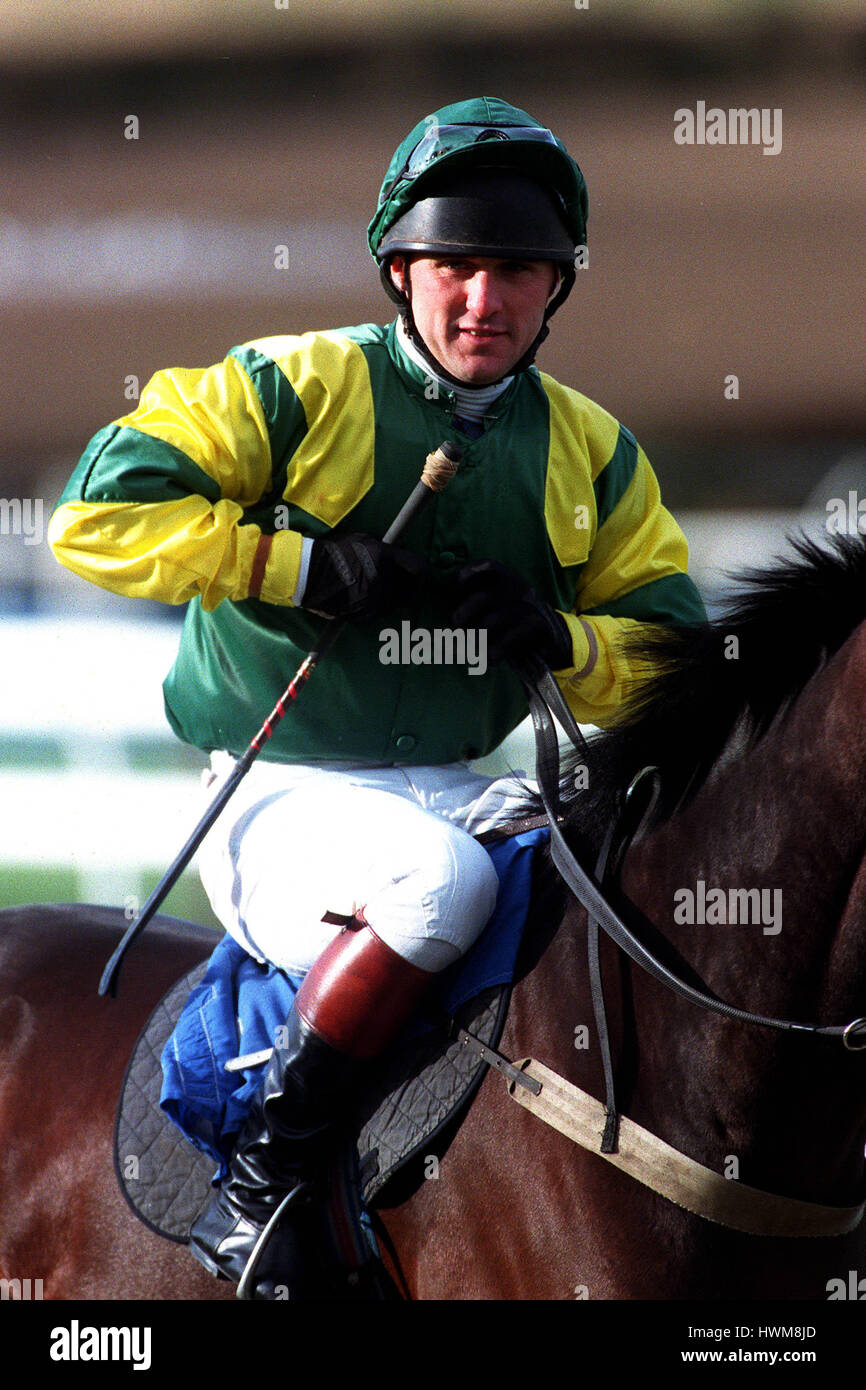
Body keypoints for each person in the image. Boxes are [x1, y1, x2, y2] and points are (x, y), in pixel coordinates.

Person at [48, 95, 706, 1297]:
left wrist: (559, 637)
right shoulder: (291, 389)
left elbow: (679, 662)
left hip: (463, 784)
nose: (482, 302)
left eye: (518, 270)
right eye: (454, 266)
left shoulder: (592, 451)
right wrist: (300, 565)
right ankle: (261, 1184)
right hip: (284, 790)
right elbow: (96, 519)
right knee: (437, 881)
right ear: (399, 270)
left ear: (554, 288)